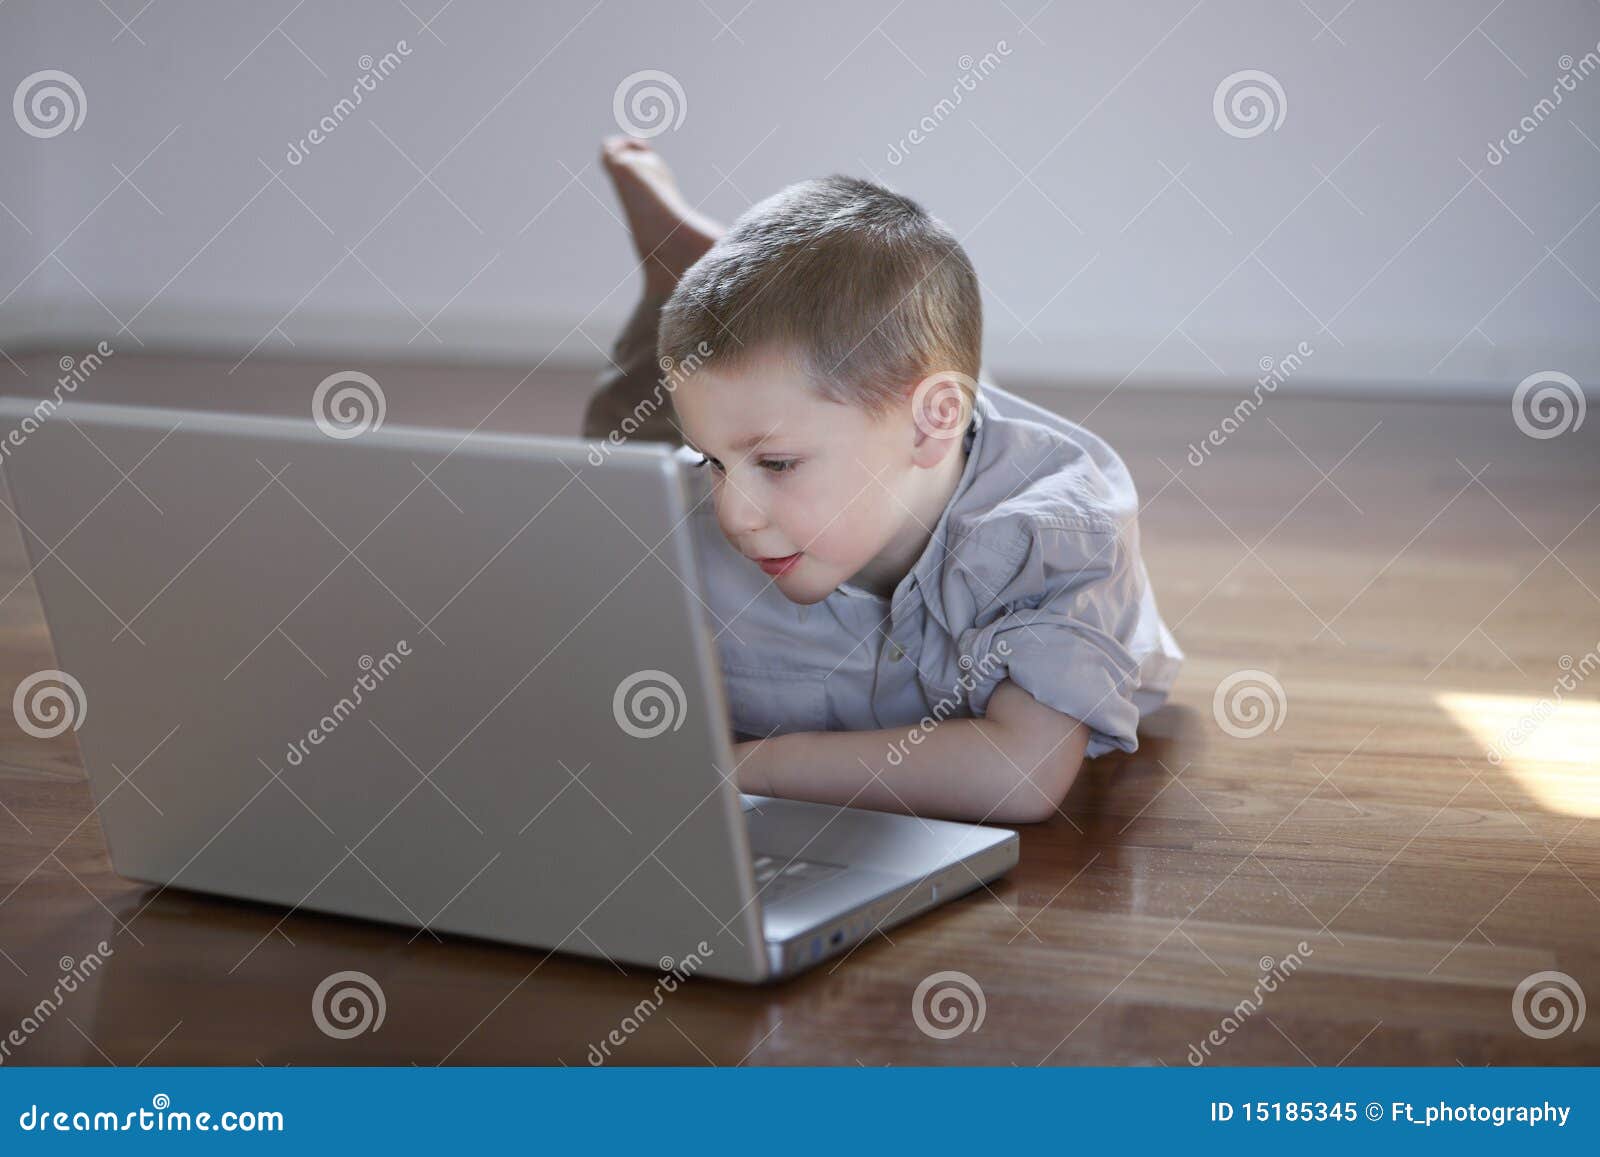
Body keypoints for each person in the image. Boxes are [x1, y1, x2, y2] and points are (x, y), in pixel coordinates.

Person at [584, 137, 1181, 824]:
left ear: (930, 427)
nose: (735, 515)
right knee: (632, 429)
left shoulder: (1047, 535)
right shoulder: (714, 502)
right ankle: (681, 277)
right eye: (713, 465)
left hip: (934, 438)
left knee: (878, 383)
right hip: (896, 426)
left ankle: (700, 276)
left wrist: (746, 770)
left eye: (776, 465)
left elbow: (1020, 772)